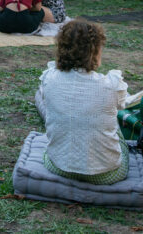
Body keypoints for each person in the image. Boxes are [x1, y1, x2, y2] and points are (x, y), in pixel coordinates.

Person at [36, 18, 129, 185]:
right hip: (106, 173)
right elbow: (122, 105)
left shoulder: (49, 78)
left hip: (58, 167)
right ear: (94, 52)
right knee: (117, 130)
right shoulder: (112, 85)